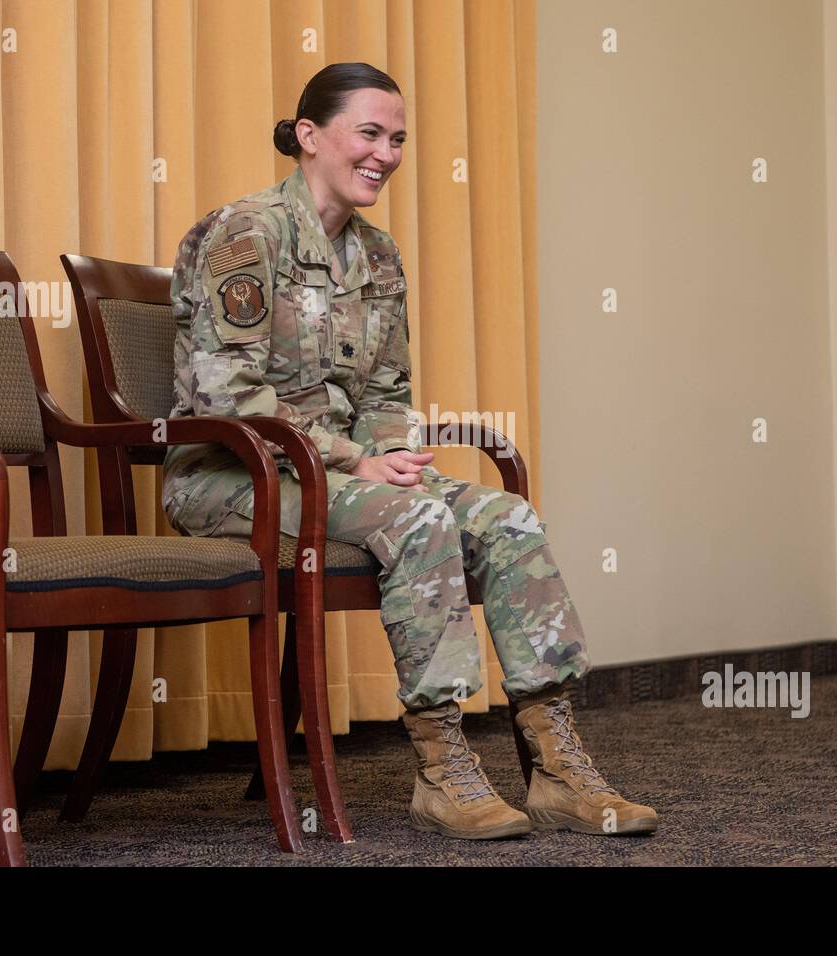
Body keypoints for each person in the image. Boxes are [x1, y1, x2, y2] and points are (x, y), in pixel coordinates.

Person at [163, 62, 656, 839]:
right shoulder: (245, 234)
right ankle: (442, 767)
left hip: (342, 477)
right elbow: (227, 399)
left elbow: (387, 395)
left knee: (507, 517)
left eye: (397, 139)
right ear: (309, 136)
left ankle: (558, 766)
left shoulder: (378, 257)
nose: (386, 154)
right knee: (417, 519)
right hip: (233, 477)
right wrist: (352, 460)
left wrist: (389, 454)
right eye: (369, 133)